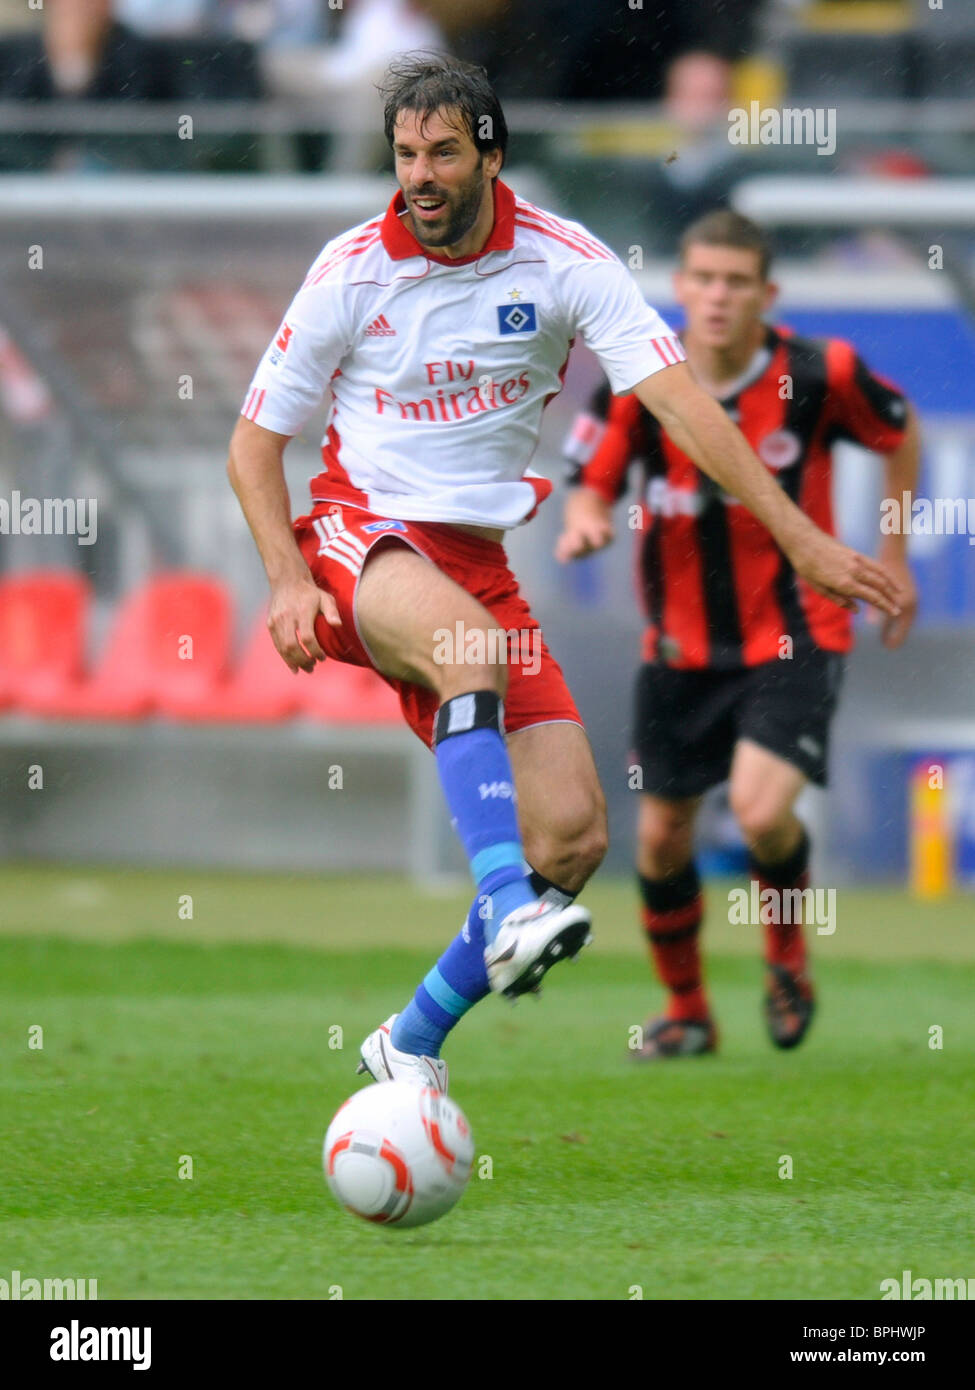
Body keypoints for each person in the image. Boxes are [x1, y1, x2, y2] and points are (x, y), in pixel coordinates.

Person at [227, 57, 905, 1093]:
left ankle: (407, 1039)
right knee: (470, 651)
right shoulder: (351, 268)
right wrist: (284, 579)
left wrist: (802, 537)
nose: (420, 174)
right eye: (407, 154)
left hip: (476, 566)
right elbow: (251, 446)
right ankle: (506, 906)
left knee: (578, 835)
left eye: (444, 152)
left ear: (491, 155)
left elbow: (687, 408)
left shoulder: (564, 262)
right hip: (360, 536)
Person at [558, 210, 919, 1058]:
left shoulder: (816, 371)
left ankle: (785, 959)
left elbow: (897, 436)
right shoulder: (640, 377)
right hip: (679, 645)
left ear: (767, 293)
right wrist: (583, 523)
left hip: (798, 629)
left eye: (736, 282)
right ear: (679, 287)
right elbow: (586, 483)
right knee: (660, 833)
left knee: (759, 814)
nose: (717, 297)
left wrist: (893, 554)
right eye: (703, 280)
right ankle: (687, 1011)